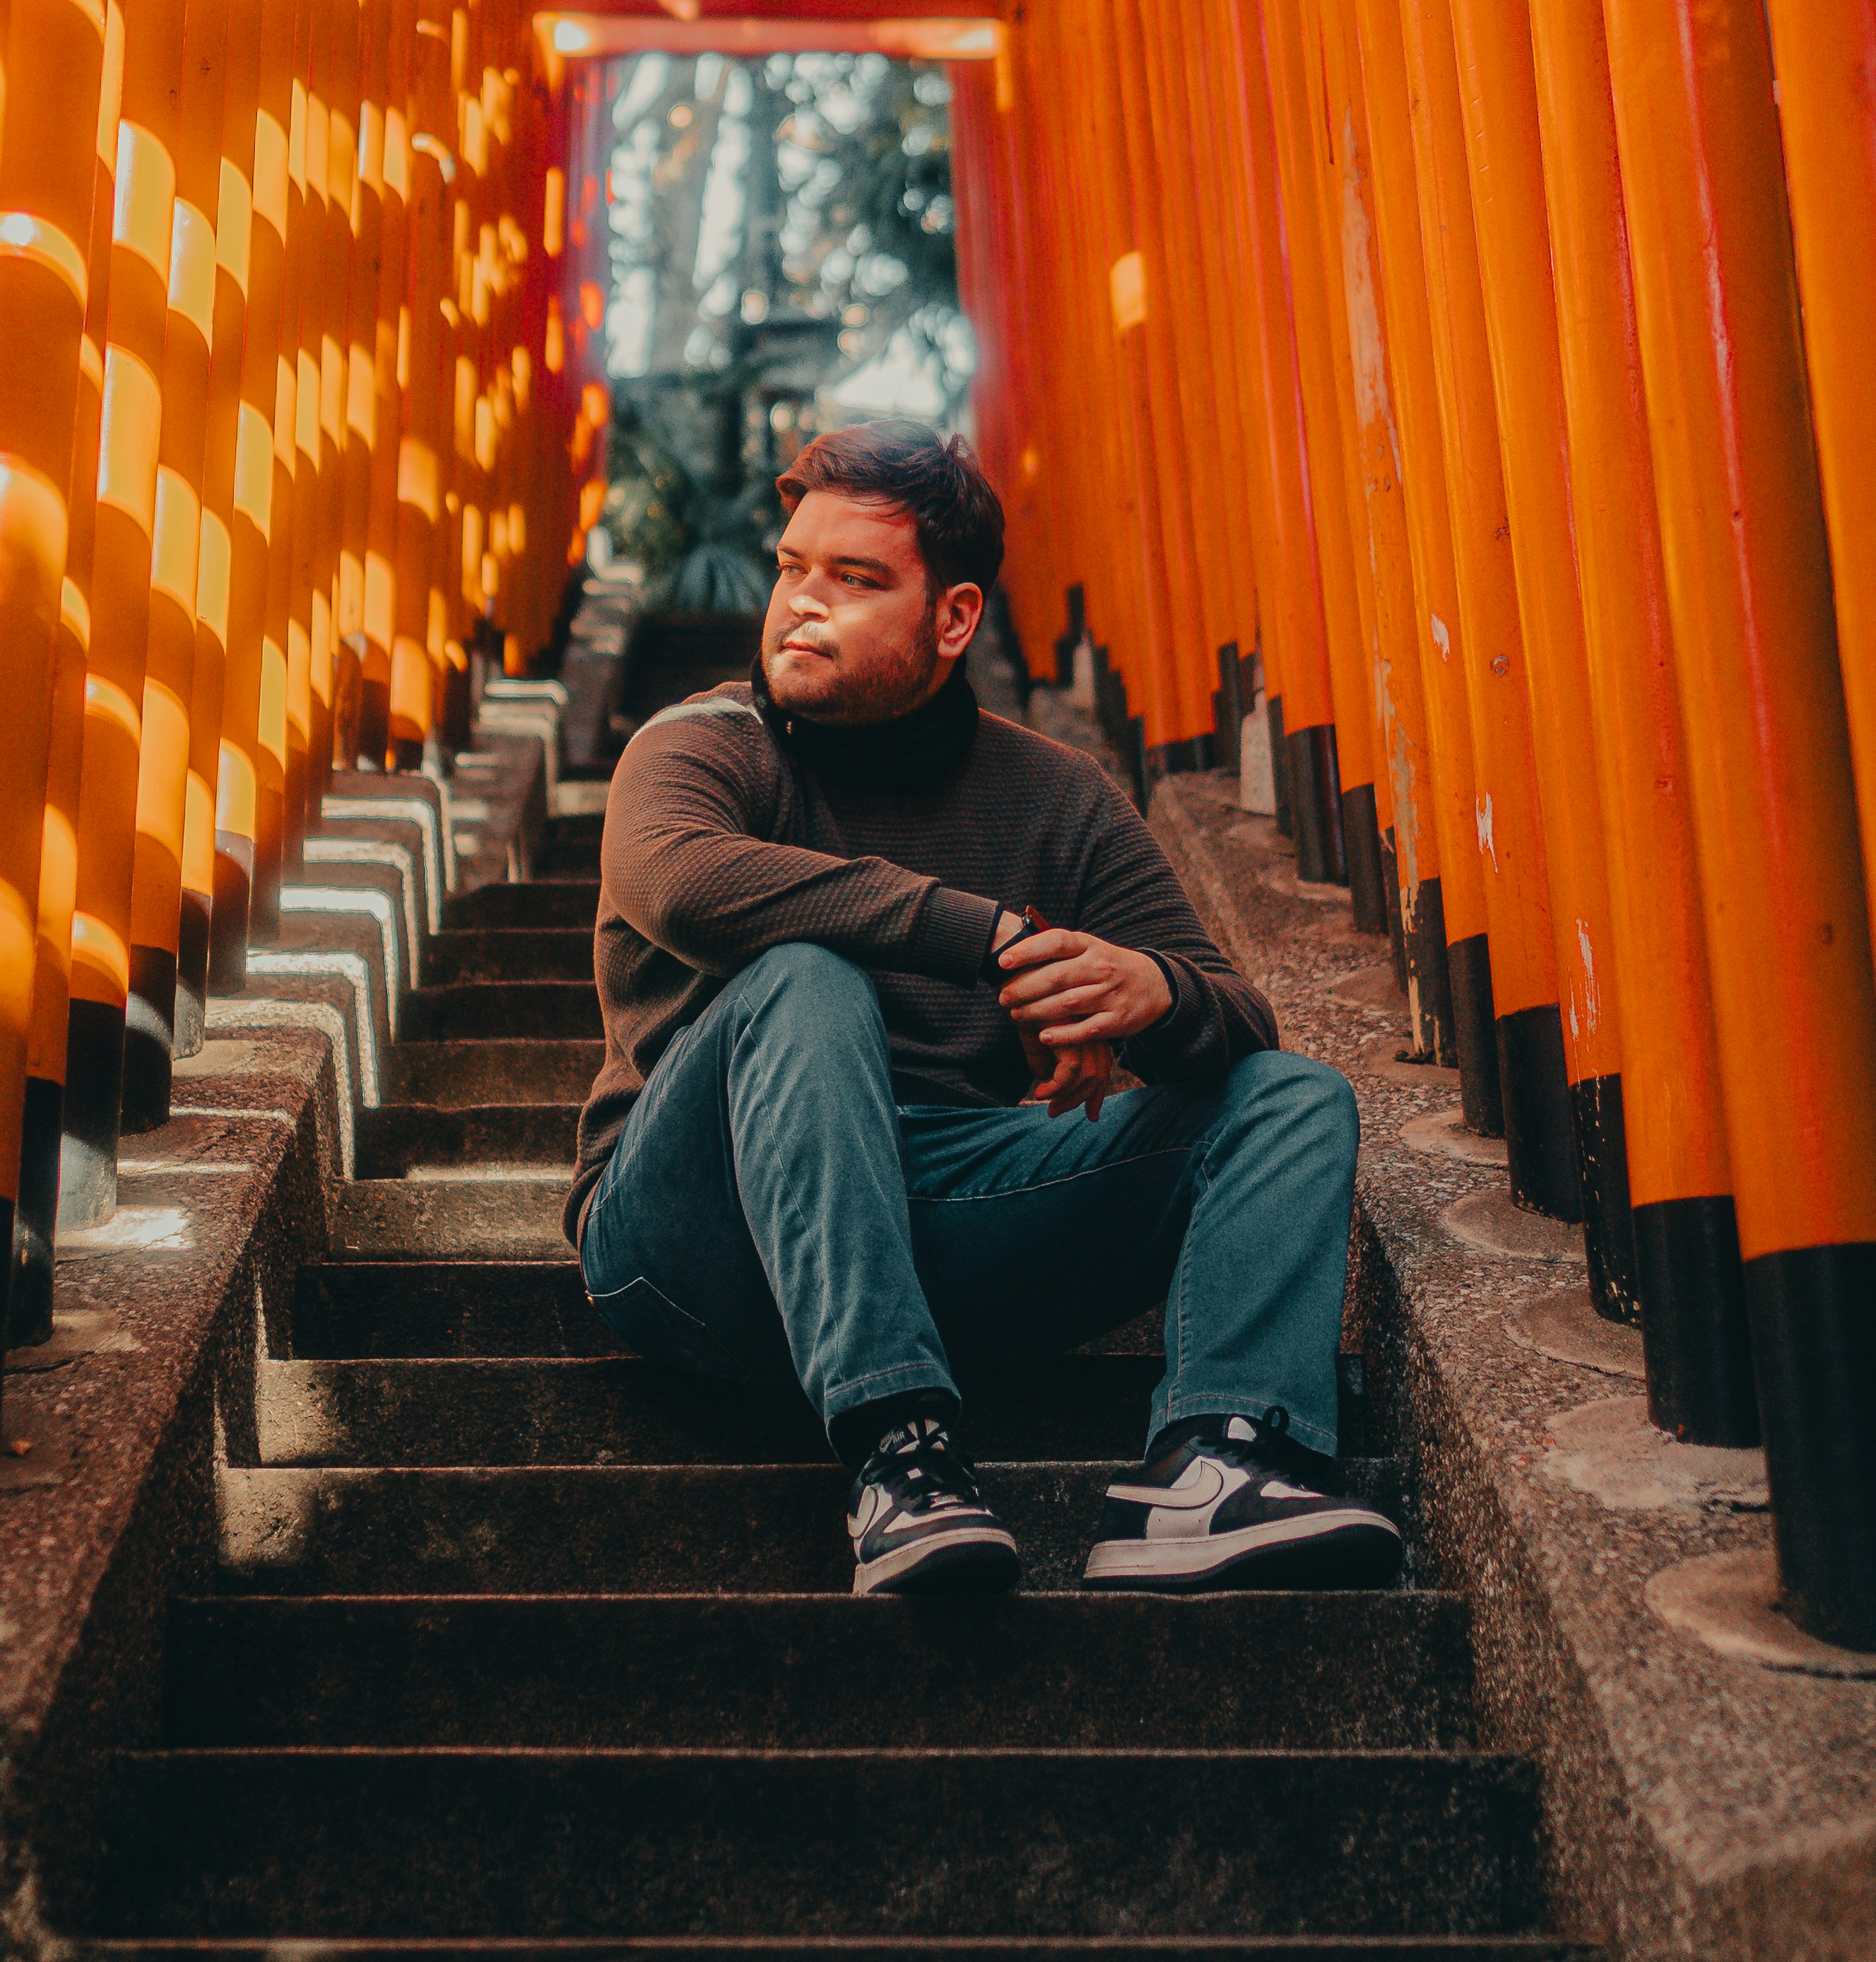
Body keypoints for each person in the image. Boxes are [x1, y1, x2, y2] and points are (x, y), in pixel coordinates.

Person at [567, 422, 1397, 1602]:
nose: (801, 603)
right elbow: (679, 881)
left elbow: (1233, 1011)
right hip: (696, 1237)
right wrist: (988, 934)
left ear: (953, 619)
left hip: (943, 1214)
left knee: (1291, 1095)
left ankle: (1220, 1465)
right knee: (807, 981)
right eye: (793, 566)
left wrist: (1150, 992)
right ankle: (900, 1453)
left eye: (854, 579)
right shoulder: (702, 745)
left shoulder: (1052, 794)